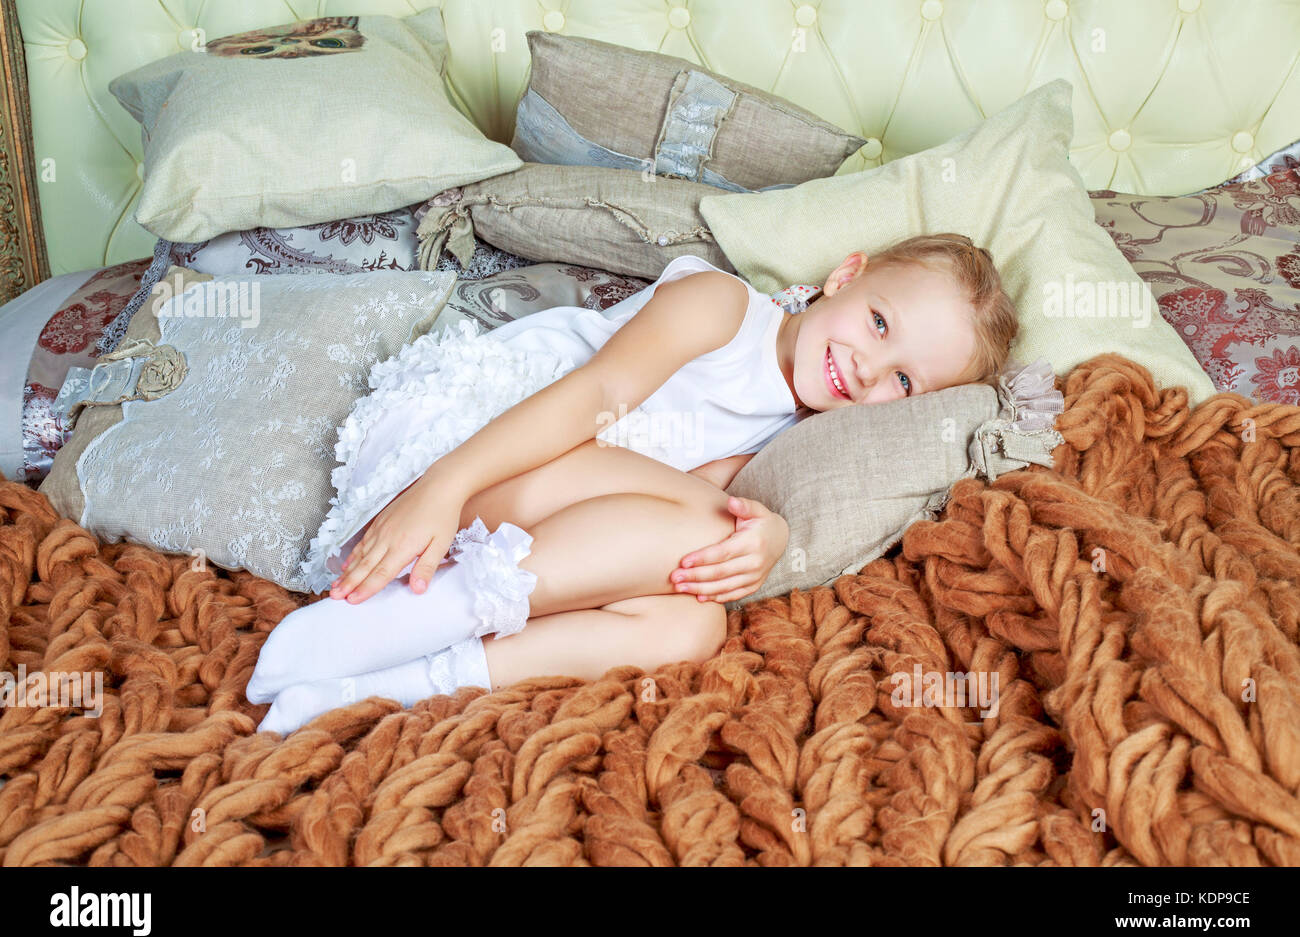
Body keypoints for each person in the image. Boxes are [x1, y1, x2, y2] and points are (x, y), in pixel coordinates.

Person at [246, 233, 1019, 734]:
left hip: (542, 524)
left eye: (905, 383)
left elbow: (670, 518)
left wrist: (774, 534)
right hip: (479, 448)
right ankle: (373, 627)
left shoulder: (796, 431)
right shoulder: (722, 309)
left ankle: (395, 681)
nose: (867, 369)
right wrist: (444, 486)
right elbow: (591, 400)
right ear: (844, 274)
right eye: (879, 324)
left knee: (693, 627)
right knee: (712, 531)